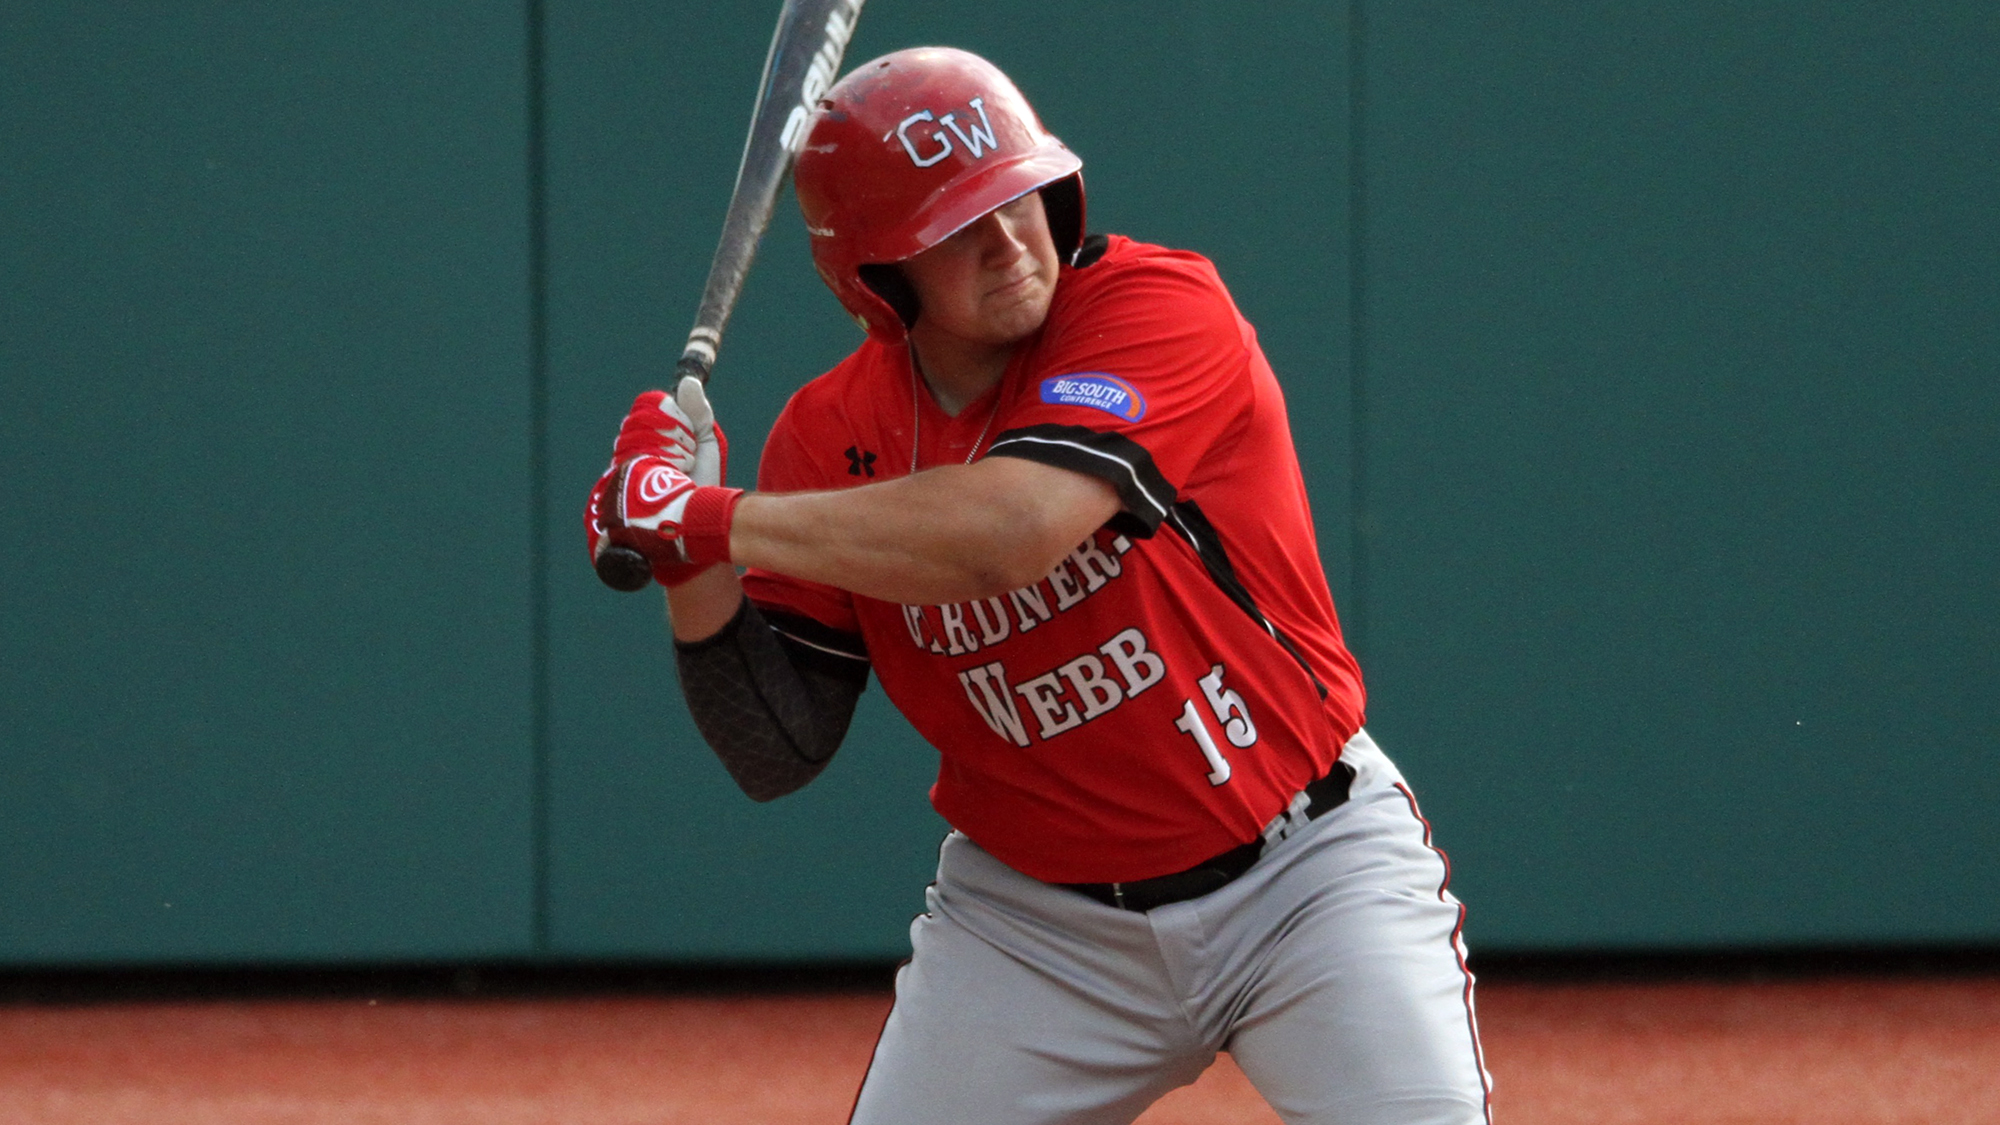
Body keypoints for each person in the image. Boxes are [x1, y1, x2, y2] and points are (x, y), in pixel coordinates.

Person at [587, 46, 1492, 1125]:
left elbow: (1011, 532)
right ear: (876, 272)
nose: (1009, 237)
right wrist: (692, 571)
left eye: (1019, 196)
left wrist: (710, 517)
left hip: (1305, 877)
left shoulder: (1156, 307)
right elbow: (776, 749)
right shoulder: (828, 438)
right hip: (1036, 929)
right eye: (955, 225)